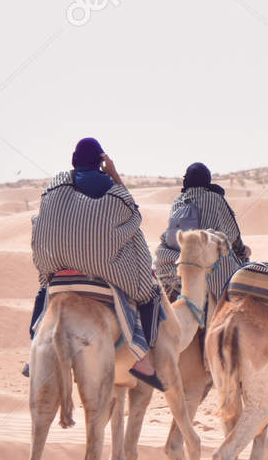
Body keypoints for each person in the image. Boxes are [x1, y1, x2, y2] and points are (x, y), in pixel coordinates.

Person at [29, 137, 166, 390]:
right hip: (103, 268)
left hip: (57, 265)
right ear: (100, 160)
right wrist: (114, 175)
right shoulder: (111, 188)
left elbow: (42, 221)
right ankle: (143, 359)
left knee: (42, 291)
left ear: (74, 160)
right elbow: (133, 215)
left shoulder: (55, 187)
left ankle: (33, 351)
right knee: (150, 294)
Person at [156, 162, 249, 301]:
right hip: (207, 262)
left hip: (172, 259)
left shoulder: (178, 201)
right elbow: (233, 233)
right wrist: (243, 253)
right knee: (241, 288)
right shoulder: (215, 198)